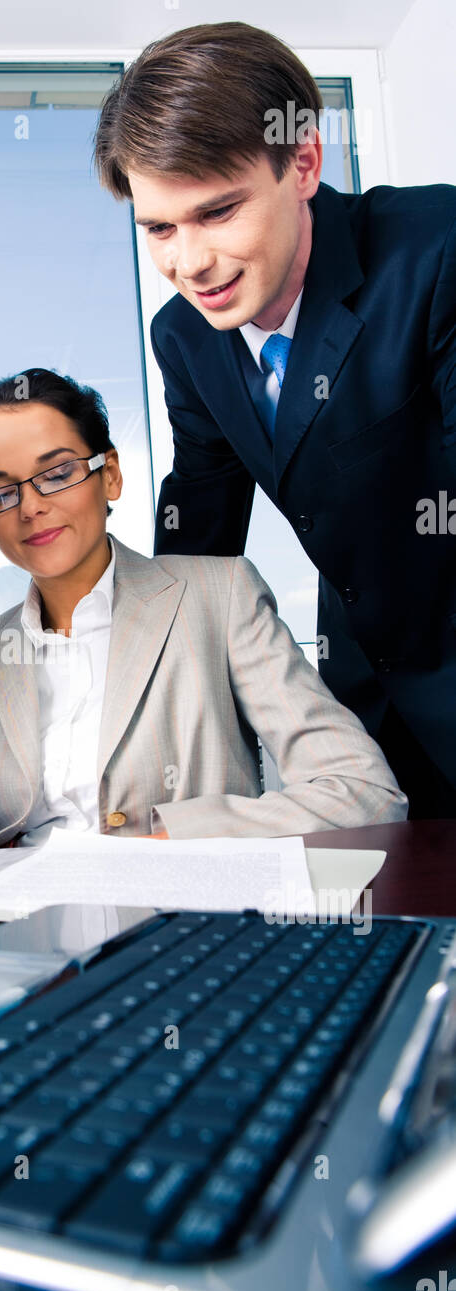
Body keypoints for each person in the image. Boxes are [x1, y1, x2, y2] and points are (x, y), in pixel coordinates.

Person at [93, 21, 456, 818]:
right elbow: (200, 532)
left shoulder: (436, 253)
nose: (190, 263)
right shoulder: (186, 339)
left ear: (303, 164)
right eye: (160, 227)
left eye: (218, 213)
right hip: (370, 704)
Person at [0, 368, 407, 849]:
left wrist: (182, 836)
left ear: (109, 475)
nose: (30, 507)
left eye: (58, 472)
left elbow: (362, 792)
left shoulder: (220, 595)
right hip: (22, 919)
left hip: (181, 913)